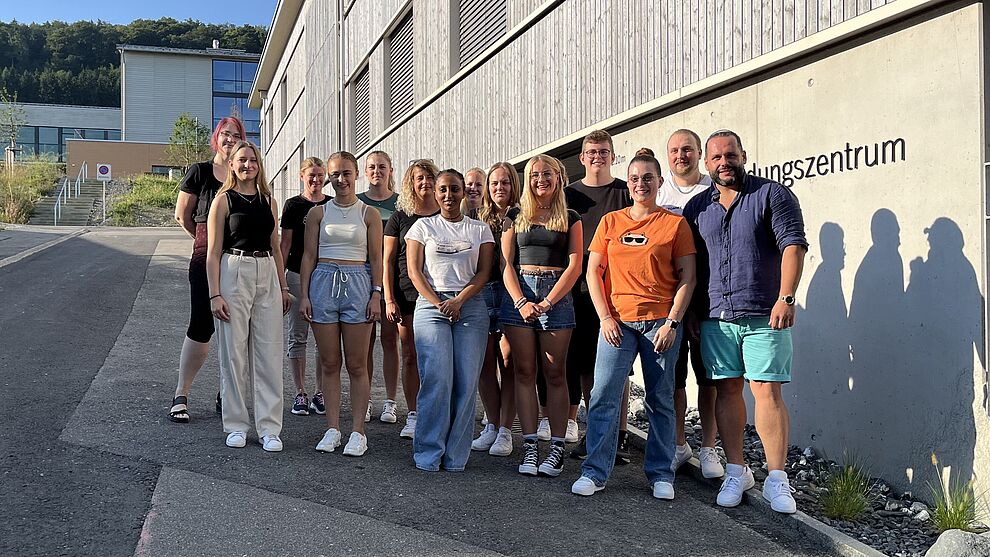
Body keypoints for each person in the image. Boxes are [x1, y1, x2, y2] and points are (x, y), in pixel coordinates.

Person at [682, 129, 808, 514]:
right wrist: (689, 313)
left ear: (743, 155)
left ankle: (776, 479)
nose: (724, 163)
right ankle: (736, 470)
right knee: (726, 391)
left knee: (767, 393)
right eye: (716, 157)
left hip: (764, 314)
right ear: (706, 163)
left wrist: (786, 297)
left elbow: (793, 245)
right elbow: (690, 266)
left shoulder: (773, 194)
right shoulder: (696, 208)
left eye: (730, 155)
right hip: (715, 316)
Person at [570, 150, 696, 499]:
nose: (641, 184)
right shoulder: (611, 222)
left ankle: (660, 474)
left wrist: (673, 322)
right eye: (635, 178)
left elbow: (688, 277)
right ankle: (595, 472)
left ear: (659, 182)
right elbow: (593, 271)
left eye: (648, 178)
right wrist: (605, 317)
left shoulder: (674, 224)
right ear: (629, 184)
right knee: (603, 396)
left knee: (661, 399)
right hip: (618, 323)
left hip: (661, 324)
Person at [405, 169, 495, 471]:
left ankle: (456, 456)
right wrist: (440, 303)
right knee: (437, 379)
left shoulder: (480, 229)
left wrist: (459, 301)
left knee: (466, 382)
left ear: (463, 192)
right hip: (432, 306)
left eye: (454, 189)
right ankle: (429, 453)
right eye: (442, 189)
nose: (448, 195)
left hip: (469, 307)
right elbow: (415, 273)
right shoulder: (422, 227)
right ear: (434, 191)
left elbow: (484, 273)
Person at [206, 140, 291, 452]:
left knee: (269, 354)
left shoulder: (269, 201)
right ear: (232, 164)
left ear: (259, 164)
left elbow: (277, 248)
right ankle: (237, 425)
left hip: (266, 269)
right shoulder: (224, 201)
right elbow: (212, 254)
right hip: (234, 270)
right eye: (241, 160)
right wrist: (215, 294)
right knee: (234, 354)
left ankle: (269, 428)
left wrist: (283, 287)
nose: (247, 165)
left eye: (252, 160)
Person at [502, 154, 582, 477]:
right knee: (524, 372)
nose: (540, 180)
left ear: (558, 177)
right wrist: (521, 300)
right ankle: (531, 447)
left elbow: (575, 265)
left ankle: (558, 449)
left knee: (555, 374)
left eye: (546, 174)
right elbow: (506, 263)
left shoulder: (570, 216)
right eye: (534, 175)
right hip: (519, 294)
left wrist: (548, 302)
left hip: (556, 296)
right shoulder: (515, 215)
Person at [299, 151, 383, 457]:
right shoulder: (318, 213)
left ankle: (358, 432)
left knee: (357, 364)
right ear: (328, 178)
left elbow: (376, 258)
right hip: (324, 282)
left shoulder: (369, 213)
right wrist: (305, 294)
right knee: (330, 362)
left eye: (346, 173)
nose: (341, 180)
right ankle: (333, 429)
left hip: (358, 283)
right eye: (335, 174)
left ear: (356, 174)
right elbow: (308, 256)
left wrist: (376, 293)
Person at [656, 131, 724, 479]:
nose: (681, 156)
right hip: (669, 300)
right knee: (673, 378)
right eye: (674, 151)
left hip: (709, 297)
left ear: (699, 153)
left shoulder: (715, 191)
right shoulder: (659, 192)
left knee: (709, 377)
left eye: (687, 150)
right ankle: (679, 445)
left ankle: (709, 447)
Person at [168, 117, 245, 423]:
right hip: (205, 259)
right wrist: (206, 244)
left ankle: (224, 393)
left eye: (235, 135)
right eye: (225, 134)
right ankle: (181, 393)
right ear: (217, 137)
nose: (229, 139)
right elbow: (181, 215)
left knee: (235, 331)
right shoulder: (199, 172)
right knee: (201, 327)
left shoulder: (243, 173)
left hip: (238, 260)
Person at [563, 129, 632, 462]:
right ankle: (596, 433)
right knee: (587, 368)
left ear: (613, 156)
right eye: (591, 152)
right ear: (582, 158)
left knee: (617, 368)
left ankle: (617, 438)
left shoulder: (625, 192)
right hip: (579, 293)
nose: (597, 157)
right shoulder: (568, 195)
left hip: (618, 294)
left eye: (603, 152)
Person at [383, 159, 441, 439]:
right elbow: (388, 261)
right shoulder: (400, 216)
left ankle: (437, 413)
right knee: (410, 355)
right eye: (419, 178)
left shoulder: (447, 212)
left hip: (440, 294)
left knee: (437, 358)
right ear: (411, 182)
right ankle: (414, 414)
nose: (424, 182)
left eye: (429, 177)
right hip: (406, 295)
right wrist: (389, 298)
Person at [470, 162, 520, 457]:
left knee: (509, 361)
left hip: (511, 293)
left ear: (514, 185)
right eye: (494, 184)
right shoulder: (477, 218)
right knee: (484, 362)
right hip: (482, 292)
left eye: (505, 183)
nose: (499, 188)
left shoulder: (521, 216)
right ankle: (490, 422)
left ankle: (505, 429)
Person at [280, 157, 331, 416]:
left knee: (324, 338)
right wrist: (281, 282)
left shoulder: (332, 204)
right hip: (297, 276)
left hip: (324, 277)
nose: (316, 180)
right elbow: (285, 245)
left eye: (320, 175)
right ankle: (300, 392)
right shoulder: (293, 205)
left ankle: (321, 393)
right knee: (297, 335)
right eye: (311, 175)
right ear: (302, 176)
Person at [358, 150, 401, 424]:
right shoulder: (358, 203)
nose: (377, 171)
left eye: (382, 167)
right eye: (372, 167)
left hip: (393, 278)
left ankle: (390, 401)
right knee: (364, 343)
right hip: (362, 278)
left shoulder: (400, 204)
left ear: (390, 170)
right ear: (365, 171)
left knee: (389, 340)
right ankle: (367, 399)